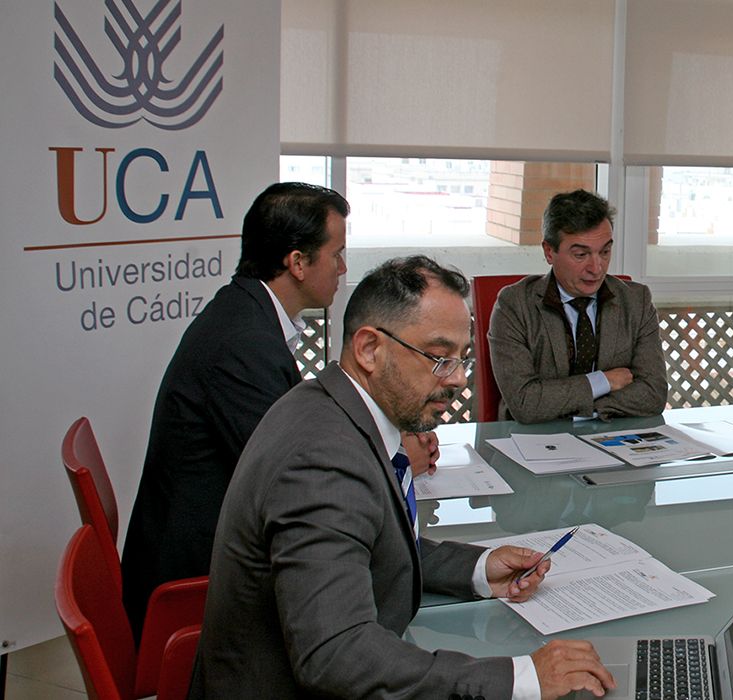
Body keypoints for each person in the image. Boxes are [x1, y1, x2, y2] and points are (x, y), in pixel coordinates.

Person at [188, 256, 615, 700]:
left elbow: (368, 541)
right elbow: (338, 654)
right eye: (440, 358)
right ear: (369, 349)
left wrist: (477, 569)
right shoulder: (323, 461)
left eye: (462, 358)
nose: (459, 379)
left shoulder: (329, 408)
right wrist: (518, 678)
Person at [120, 183, 359, 638]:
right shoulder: (244, 342)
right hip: (194, 585)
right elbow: (293, 477)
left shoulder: (245, 311)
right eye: (337, 255)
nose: (343, 268)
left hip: (201, 548)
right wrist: (383, 457)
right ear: (297, 262)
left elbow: (298, 433)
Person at [488, 189, 667, 423]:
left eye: (605, 252)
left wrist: (568, 405)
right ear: (549, 252)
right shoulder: (515, 305)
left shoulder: (636, 301)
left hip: (610, 434)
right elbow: (525, 404)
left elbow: (653, 394)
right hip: (534, 439)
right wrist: (604, 382)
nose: (596, 268)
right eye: (581, 255)